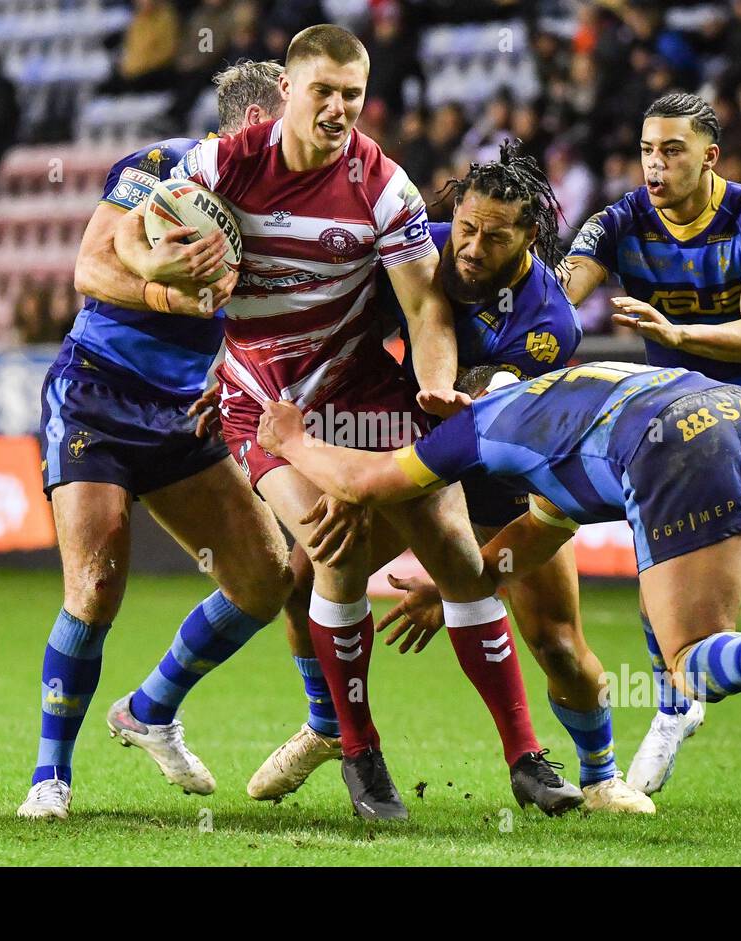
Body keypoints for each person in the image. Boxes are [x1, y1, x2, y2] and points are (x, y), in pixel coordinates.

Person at [146, 25, 574, 821]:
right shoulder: (219, 166)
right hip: (264, 403)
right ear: (287, 93)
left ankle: (525, 756)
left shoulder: (385, 186)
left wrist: (439, 389)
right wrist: (168, 270)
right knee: (333, 555)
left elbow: (425, 308)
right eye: (323, 92)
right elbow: (148, 254)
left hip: (365, 388)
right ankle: (360, 754)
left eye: (352, 94)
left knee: (453, 545)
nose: (340, 108)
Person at [256, 361, 741, 834]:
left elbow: (370, 482)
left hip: (677, 444)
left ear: (462, 398)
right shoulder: (569, 391)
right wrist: (454, 583)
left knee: (689, 657)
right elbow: (540, 532)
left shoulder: (481, 420)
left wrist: (292, 439)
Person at [240, 143, 652, 815]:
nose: (472, 245)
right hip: (414, 448)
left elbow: (491, 420)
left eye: (494, 236)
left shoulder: (547, 321)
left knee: (554, 639)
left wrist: (453, 571)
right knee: (304, 580)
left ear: (530, 237)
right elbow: (329, 328)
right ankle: (328, 726)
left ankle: (601, 773)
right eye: (466, 226)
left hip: (504, 472)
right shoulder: (418, 248)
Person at [16, 61, 295, 821]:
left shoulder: (284, 215)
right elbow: (91, 266)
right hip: (97, 397)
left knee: (267, 581)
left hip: (184, 412)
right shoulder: (162, 168)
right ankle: (50, 778)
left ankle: (150, 708)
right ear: (254, 124)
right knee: (98, 582)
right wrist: (166, 291)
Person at [561, 91, 741, 808]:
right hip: (677, 429)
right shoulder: (618, 221)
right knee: (658, 581)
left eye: (672, 150)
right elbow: (556, 296)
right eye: (647, 149)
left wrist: (676, 336)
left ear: (710, 157)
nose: (654, 164)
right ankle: (676, 711)